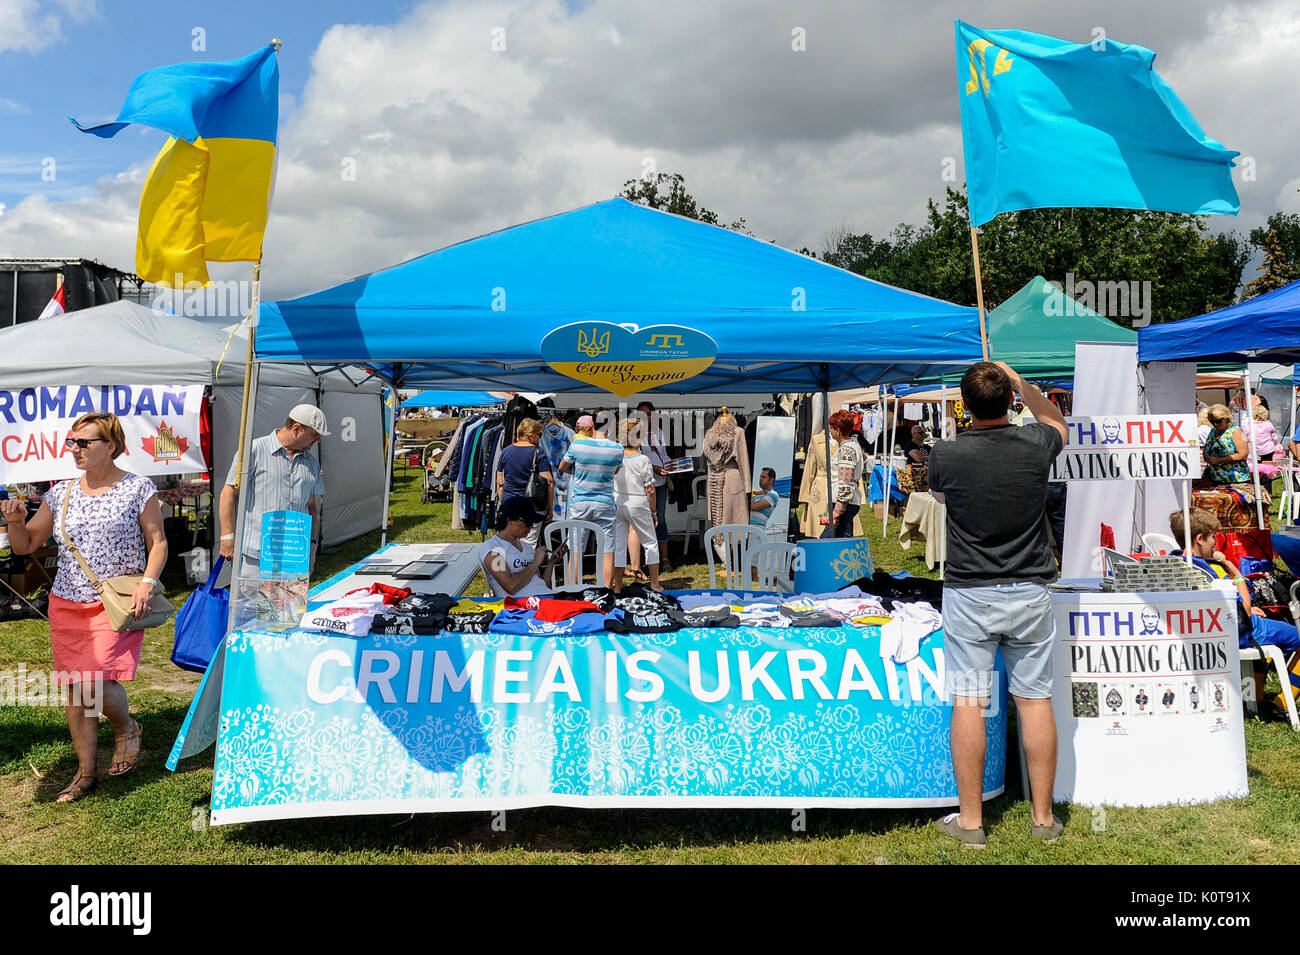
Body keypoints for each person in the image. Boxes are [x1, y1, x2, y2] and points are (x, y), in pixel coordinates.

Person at [927, 361, 1068, 847]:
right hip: (1029, 589)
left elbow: (939, 495)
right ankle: (1043, 818)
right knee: (1034, 701)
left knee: (969, 702)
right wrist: (1021, 381)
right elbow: (1056, 421)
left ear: (964, 406)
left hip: (971, 592)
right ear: (1009, 400)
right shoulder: (1036, 443)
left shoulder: (946, 453)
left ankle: (971, 822)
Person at [0, 412, 167, 802]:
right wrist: (15, 523)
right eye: (71, 442)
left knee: (93, 683)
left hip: (115, 602)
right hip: (67, 602)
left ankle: (126, 727)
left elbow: (158, 542)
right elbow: (26, 545)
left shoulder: (137, 488)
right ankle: (86, 773)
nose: (74, 449)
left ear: (110, 446)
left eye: (83, 442)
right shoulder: (61, 493)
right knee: (76, 691)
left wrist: (147, 583)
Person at [1168, 508, 1298, 657]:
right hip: (1245, 631)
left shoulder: (1177, 563)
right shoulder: (1213, 570)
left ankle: (1261, 670)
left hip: (1208, 631)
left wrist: (1246, 609)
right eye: (1213, 537)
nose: (1216, 542)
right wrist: (1237, 575)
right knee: (1297, 635)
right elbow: (1246, 611)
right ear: (1200, 539)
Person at [218, 404, 327, 580]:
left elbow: (312, 507)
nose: (318, 440)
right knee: (252, 599)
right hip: (256, 554)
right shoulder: (254, 450)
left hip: (295, 554)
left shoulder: (311, 461)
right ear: (296, 429)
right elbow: (228, 493)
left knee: (289, 599)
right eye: (314, 435)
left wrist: (312, 545)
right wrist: (227, 537)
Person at [559, 414, 623, 587]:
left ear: (592, 424)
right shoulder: (617, 448)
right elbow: (615, 471)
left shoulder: (577, 445)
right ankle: (606, 591)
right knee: (607, 550)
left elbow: (562, 466)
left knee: (576, 551)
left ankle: (573, 590)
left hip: (580, 502)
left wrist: (578, 473)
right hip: (605, 502)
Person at [612, 420, 662, 592]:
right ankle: (654, 583)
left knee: (618, 545)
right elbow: (650, 490)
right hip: (638, 502)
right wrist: (654, 511)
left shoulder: (615, 456)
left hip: (618, 501)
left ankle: (618, 585)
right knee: (650, 542)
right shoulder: (642, 459)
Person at [480, 497, 560, 599]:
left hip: (544, 599)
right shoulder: (492, 548)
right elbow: (510, 586)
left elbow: (542, 586)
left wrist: (551, 563)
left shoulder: (527, 547)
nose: (531, 527)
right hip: (522, 604)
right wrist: (535, 563)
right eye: (528, 523)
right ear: (509, 520)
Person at [626, 401, 672, 575]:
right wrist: (653, 467)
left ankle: (664, 559)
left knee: (660, 518)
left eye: (648, 414)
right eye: (642, 414)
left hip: (660, 482)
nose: (645, 417)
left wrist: (672, 466)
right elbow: (635, 457)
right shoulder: (634, 433)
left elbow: (664, 454)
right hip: (642, 484)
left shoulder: (658, 432)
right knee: (641, 522)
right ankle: (641, 563)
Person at [494, 417, 553, 545]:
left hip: (510, 502)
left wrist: (503, 501)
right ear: (531, 436)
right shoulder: (538, 453)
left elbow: (500, 482)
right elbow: (549, 482)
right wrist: (550, 508)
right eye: (539, 435)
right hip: (532, 504)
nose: (540, 438)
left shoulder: (506, 451)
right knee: (529, 543)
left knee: (508, 542)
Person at [823, 409, 864, 539]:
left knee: (828, 540)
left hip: (843, 503)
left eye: (831, 428)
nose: (830, 431)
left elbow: (846, 480)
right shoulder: (852, 445)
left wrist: (838, 509)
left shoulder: (847, 449)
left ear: (838, 430)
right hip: (847, 501)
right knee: (843, 539)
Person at [1202, 403, 1250, 486]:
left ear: (1227, 418)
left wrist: (1219, 460)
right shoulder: (1213, 431)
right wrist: (1207, 457)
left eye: (1218, 421)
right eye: (1212, 421)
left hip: (1236, 479)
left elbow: (1243, 455)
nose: (1215, 424)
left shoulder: (1235, 431)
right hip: (1215, 478)